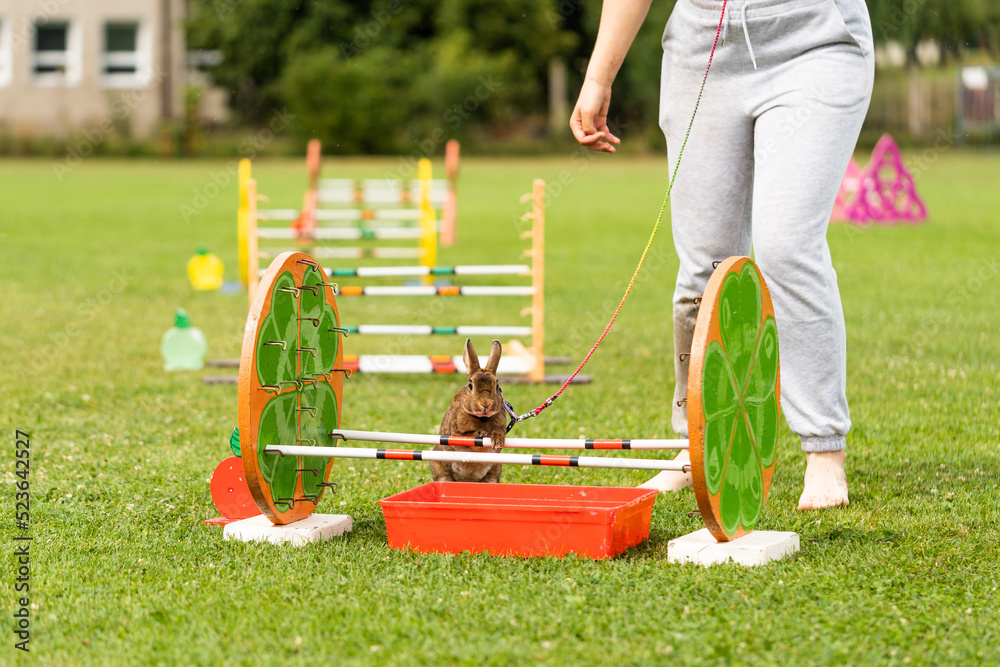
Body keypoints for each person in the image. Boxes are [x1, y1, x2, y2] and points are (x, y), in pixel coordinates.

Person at [571, 0, 874, 509]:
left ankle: (824, 449)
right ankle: (698, 443)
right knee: (705, 266)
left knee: (787, 245)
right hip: (703, 47)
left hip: (815, 38)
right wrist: (599, 75)